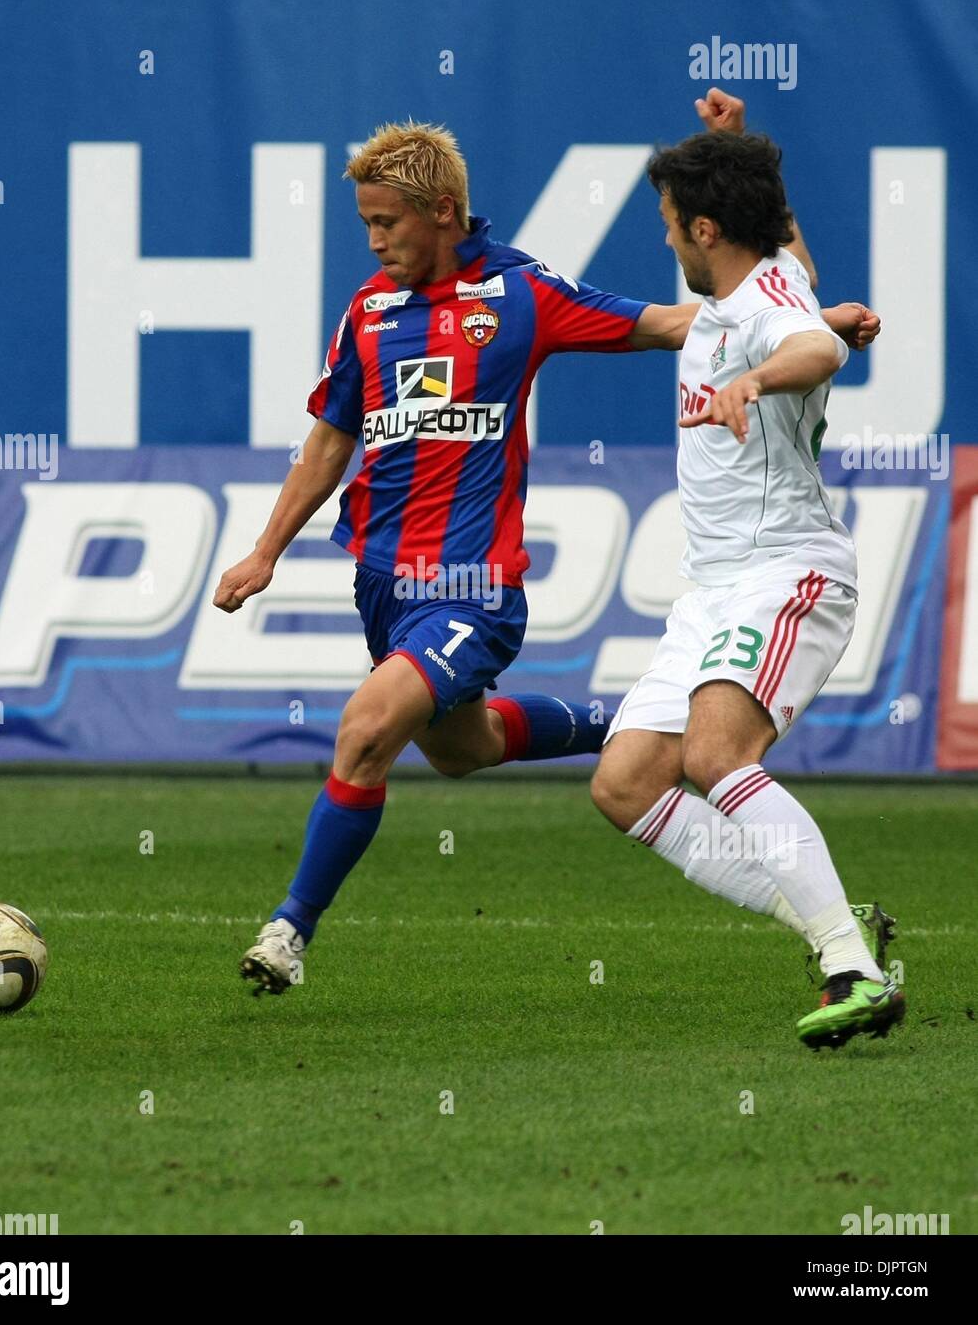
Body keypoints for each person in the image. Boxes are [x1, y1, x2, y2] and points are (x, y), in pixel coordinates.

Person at [214, 101, 879, 1000]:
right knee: (460, 748)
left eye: (385, 222)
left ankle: (289, 929)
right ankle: (623, 723)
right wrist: (265, 552)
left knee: (367, 729)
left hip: (473, 584)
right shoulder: (367, 313)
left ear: (441, 211)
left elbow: (667, 322)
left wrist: (806, 328)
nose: (373, 243)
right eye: (365, 224)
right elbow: (331, 440)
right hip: (385, 579)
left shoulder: (518, 293)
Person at [591, 96, 901, 1049]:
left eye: (672, 224)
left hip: (787, 573)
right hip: (714, 589)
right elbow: (803, 291)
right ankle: (837, 934)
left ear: (707, 230)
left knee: (717, 757)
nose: (669, 238)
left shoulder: (768, 310)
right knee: (628, 783)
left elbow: (807, 343)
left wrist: (758, 380)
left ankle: (851, 967)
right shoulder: (762, 283)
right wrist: (730, 149)